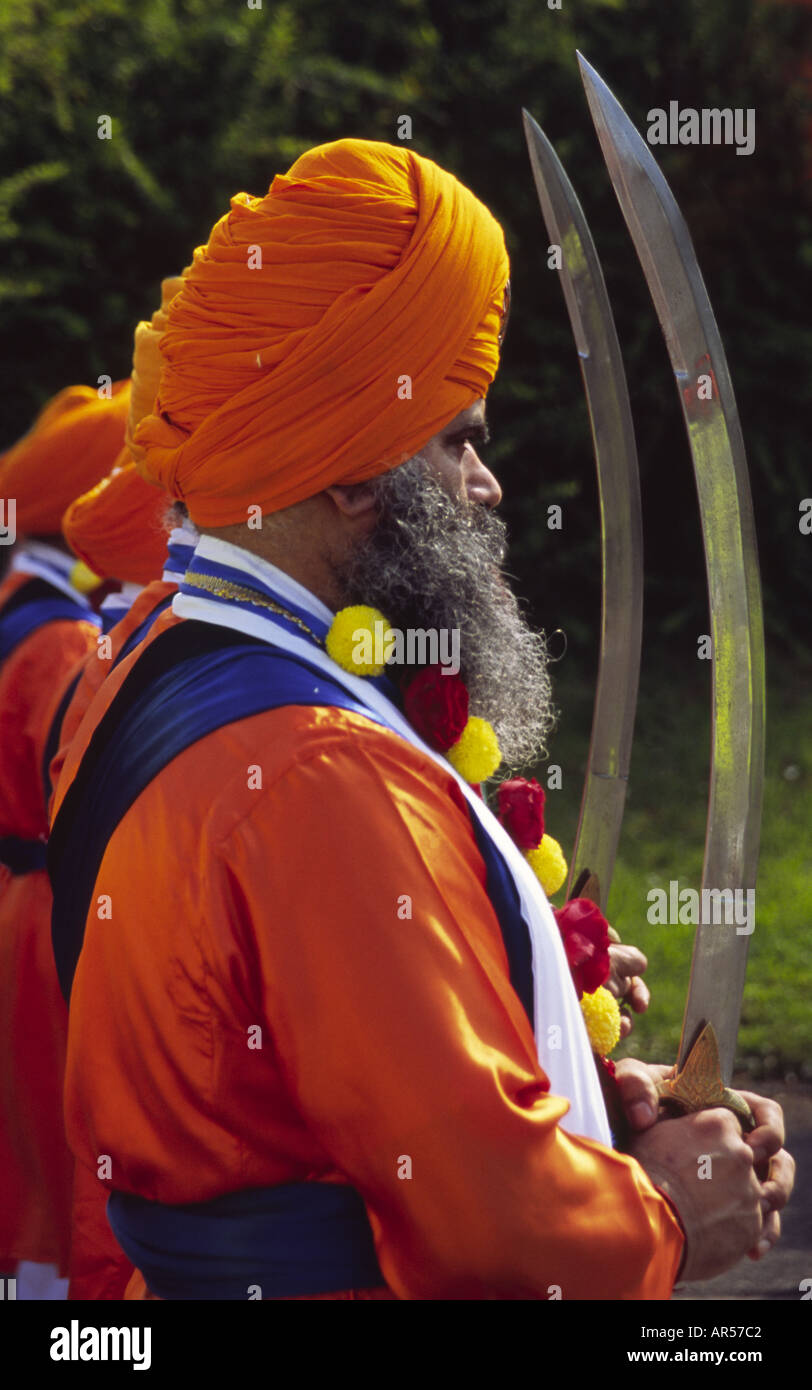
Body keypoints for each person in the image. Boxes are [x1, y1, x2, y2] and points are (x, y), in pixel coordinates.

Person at [50, 139, 793, 1300]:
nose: (486, 484)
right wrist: (670, 1212)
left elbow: (314, 1090)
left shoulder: (134, 664)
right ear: (352, 466)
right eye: (460, 438)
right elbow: (492, 1227)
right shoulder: (322, 774)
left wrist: (569, 1071)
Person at [0, 380, 130, 1298]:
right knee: (50, 1139)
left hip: (22, 903)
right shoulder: (57, 642)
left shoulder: (21, 606)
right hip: (48, 924)